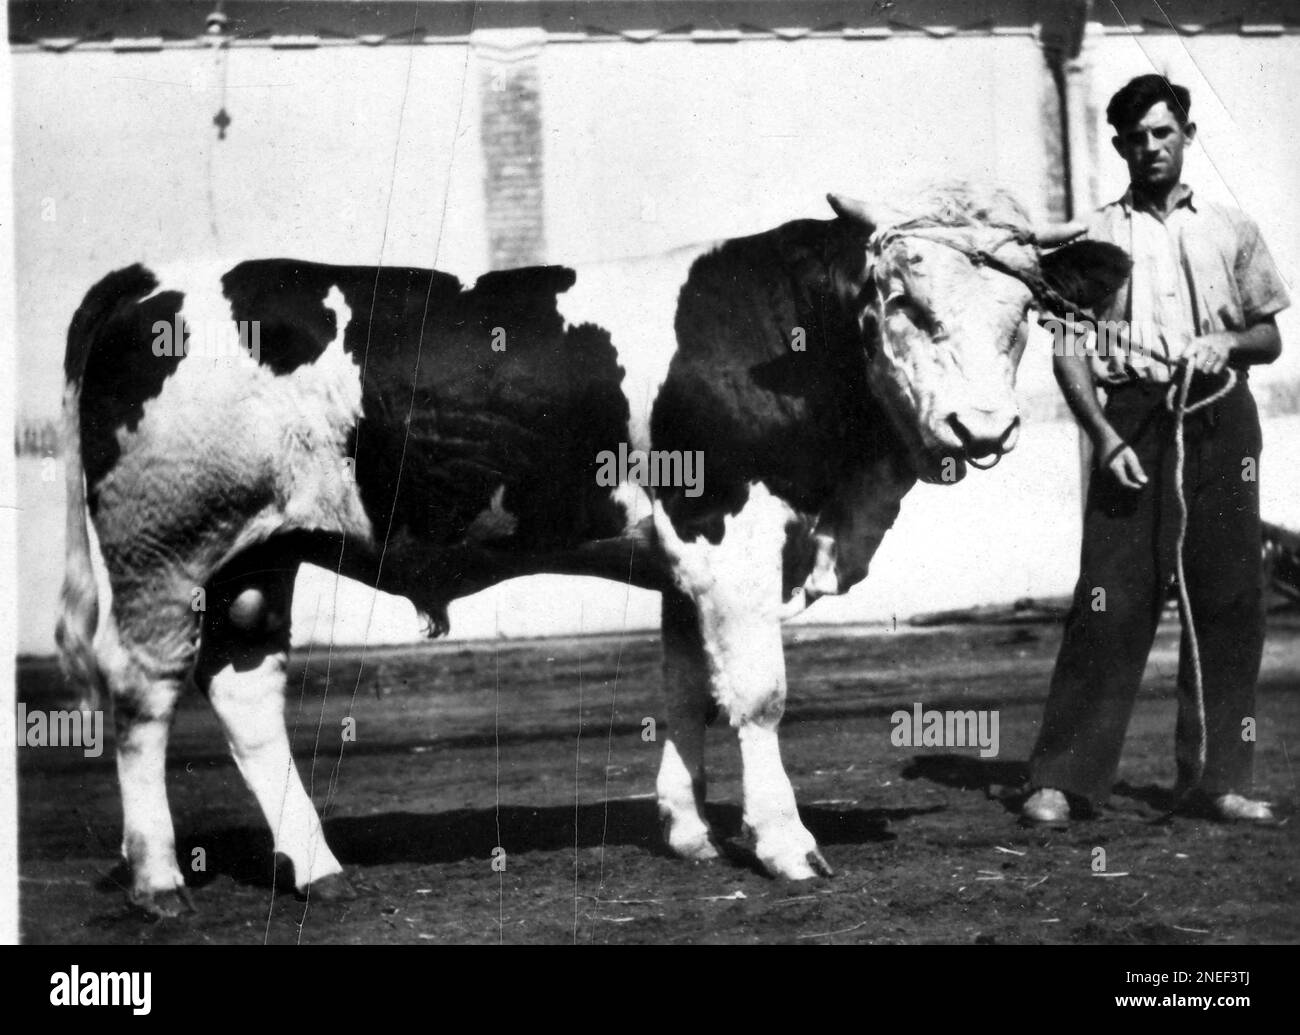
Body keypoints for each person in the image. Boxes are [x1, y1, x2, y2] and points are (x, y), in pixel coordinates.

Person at [1023, 74, 1289, 824]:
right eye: (1137, 137)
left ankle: (1218, 779)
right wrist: (1104, 439)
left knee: (1231, 600)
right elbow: (1068, 352)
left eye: (1164, 132)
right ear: (1120, 147)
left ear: (1187, 136)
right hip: (1133, 424)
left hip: (1220, 419)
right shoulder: (1093, 240)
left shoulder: (1231, 227)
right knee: (1110, 598)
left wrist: (1224, 341)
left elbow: (1268, 336)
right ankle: (1062, 779)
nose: (1152, 148)